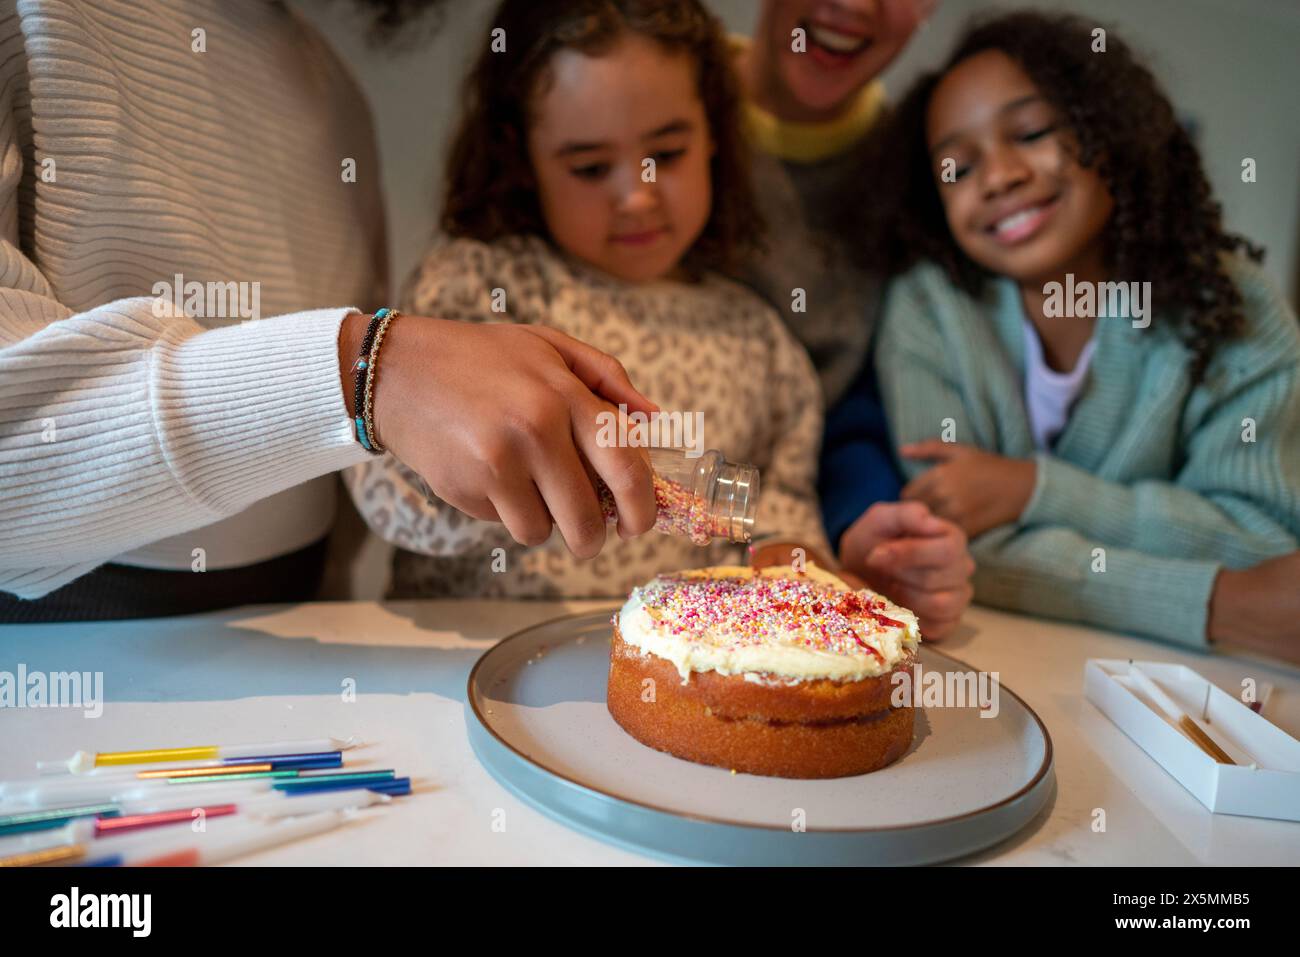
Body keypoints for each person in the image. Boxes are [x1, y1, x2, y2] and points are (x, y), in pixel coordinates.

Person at [0, 0, 657, 620]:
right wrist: (368, 368)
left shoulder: (331, 92)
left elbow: (337, 467)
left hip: (300, 635)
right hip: (73, 644)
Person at [344, 0, 835, 598]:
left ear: (714, 134)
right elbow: (384, 494)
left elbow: (778, 512)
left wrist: (792, 563)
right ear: (523, 160)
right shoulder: (479, 290)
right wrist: (478, 473)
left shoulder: (757, 337)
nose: (636, 196)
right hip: (462, 661)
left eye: (667, 157)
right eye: (591, 167)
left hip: (670, 668)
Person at [860, 12, 1300, 661]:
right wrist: (1214, 603)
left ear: (1110, 131)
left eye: (1032, 132)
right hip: (1003, 661)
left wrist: (1033, 489)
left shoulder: (1230, 303)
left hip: (1192, 683)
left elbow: (1263, 540)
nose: (999, 175)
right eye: (957, 168)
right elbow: (946, 552)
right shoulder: (928, 309)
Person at [733, 0, 974, 638]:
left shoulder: (928, 177)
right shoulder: (644, 104)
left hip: (788, 571)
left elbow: (858, 408)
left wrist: (865, 529)